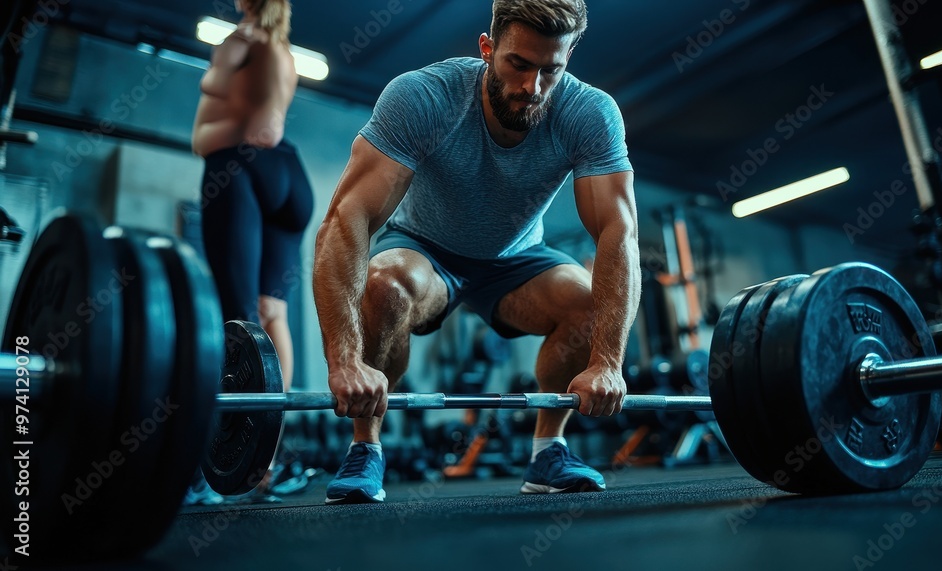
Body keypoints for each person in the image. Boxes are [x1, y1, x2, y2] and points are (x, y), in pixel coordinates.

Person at [313, 0, 639, 504]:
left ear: (569, 57)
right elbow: (345, 220)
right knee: (384, 287)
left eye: (550, 70)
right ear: (488, 49)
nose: (532, 87)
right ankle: (366, 448)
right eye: (518, 64)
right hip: (425, 250)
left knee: (590, 302)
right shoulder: (424, 97)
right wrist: (344, 360)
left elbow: (619, 232)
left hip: (517, 261)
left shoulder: (590, 114)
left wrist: (608, 361)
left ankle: (548, 449)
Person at [189, 0, 314, 502]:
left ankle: (219, 466)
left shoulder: (243, 41)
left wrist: (209, 135)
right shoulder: (282, 50)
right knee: (270, 314)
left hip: (239, 166)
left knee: (237, 320)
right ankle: (265, 460)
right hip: (290, 177)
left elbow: (257, 127)